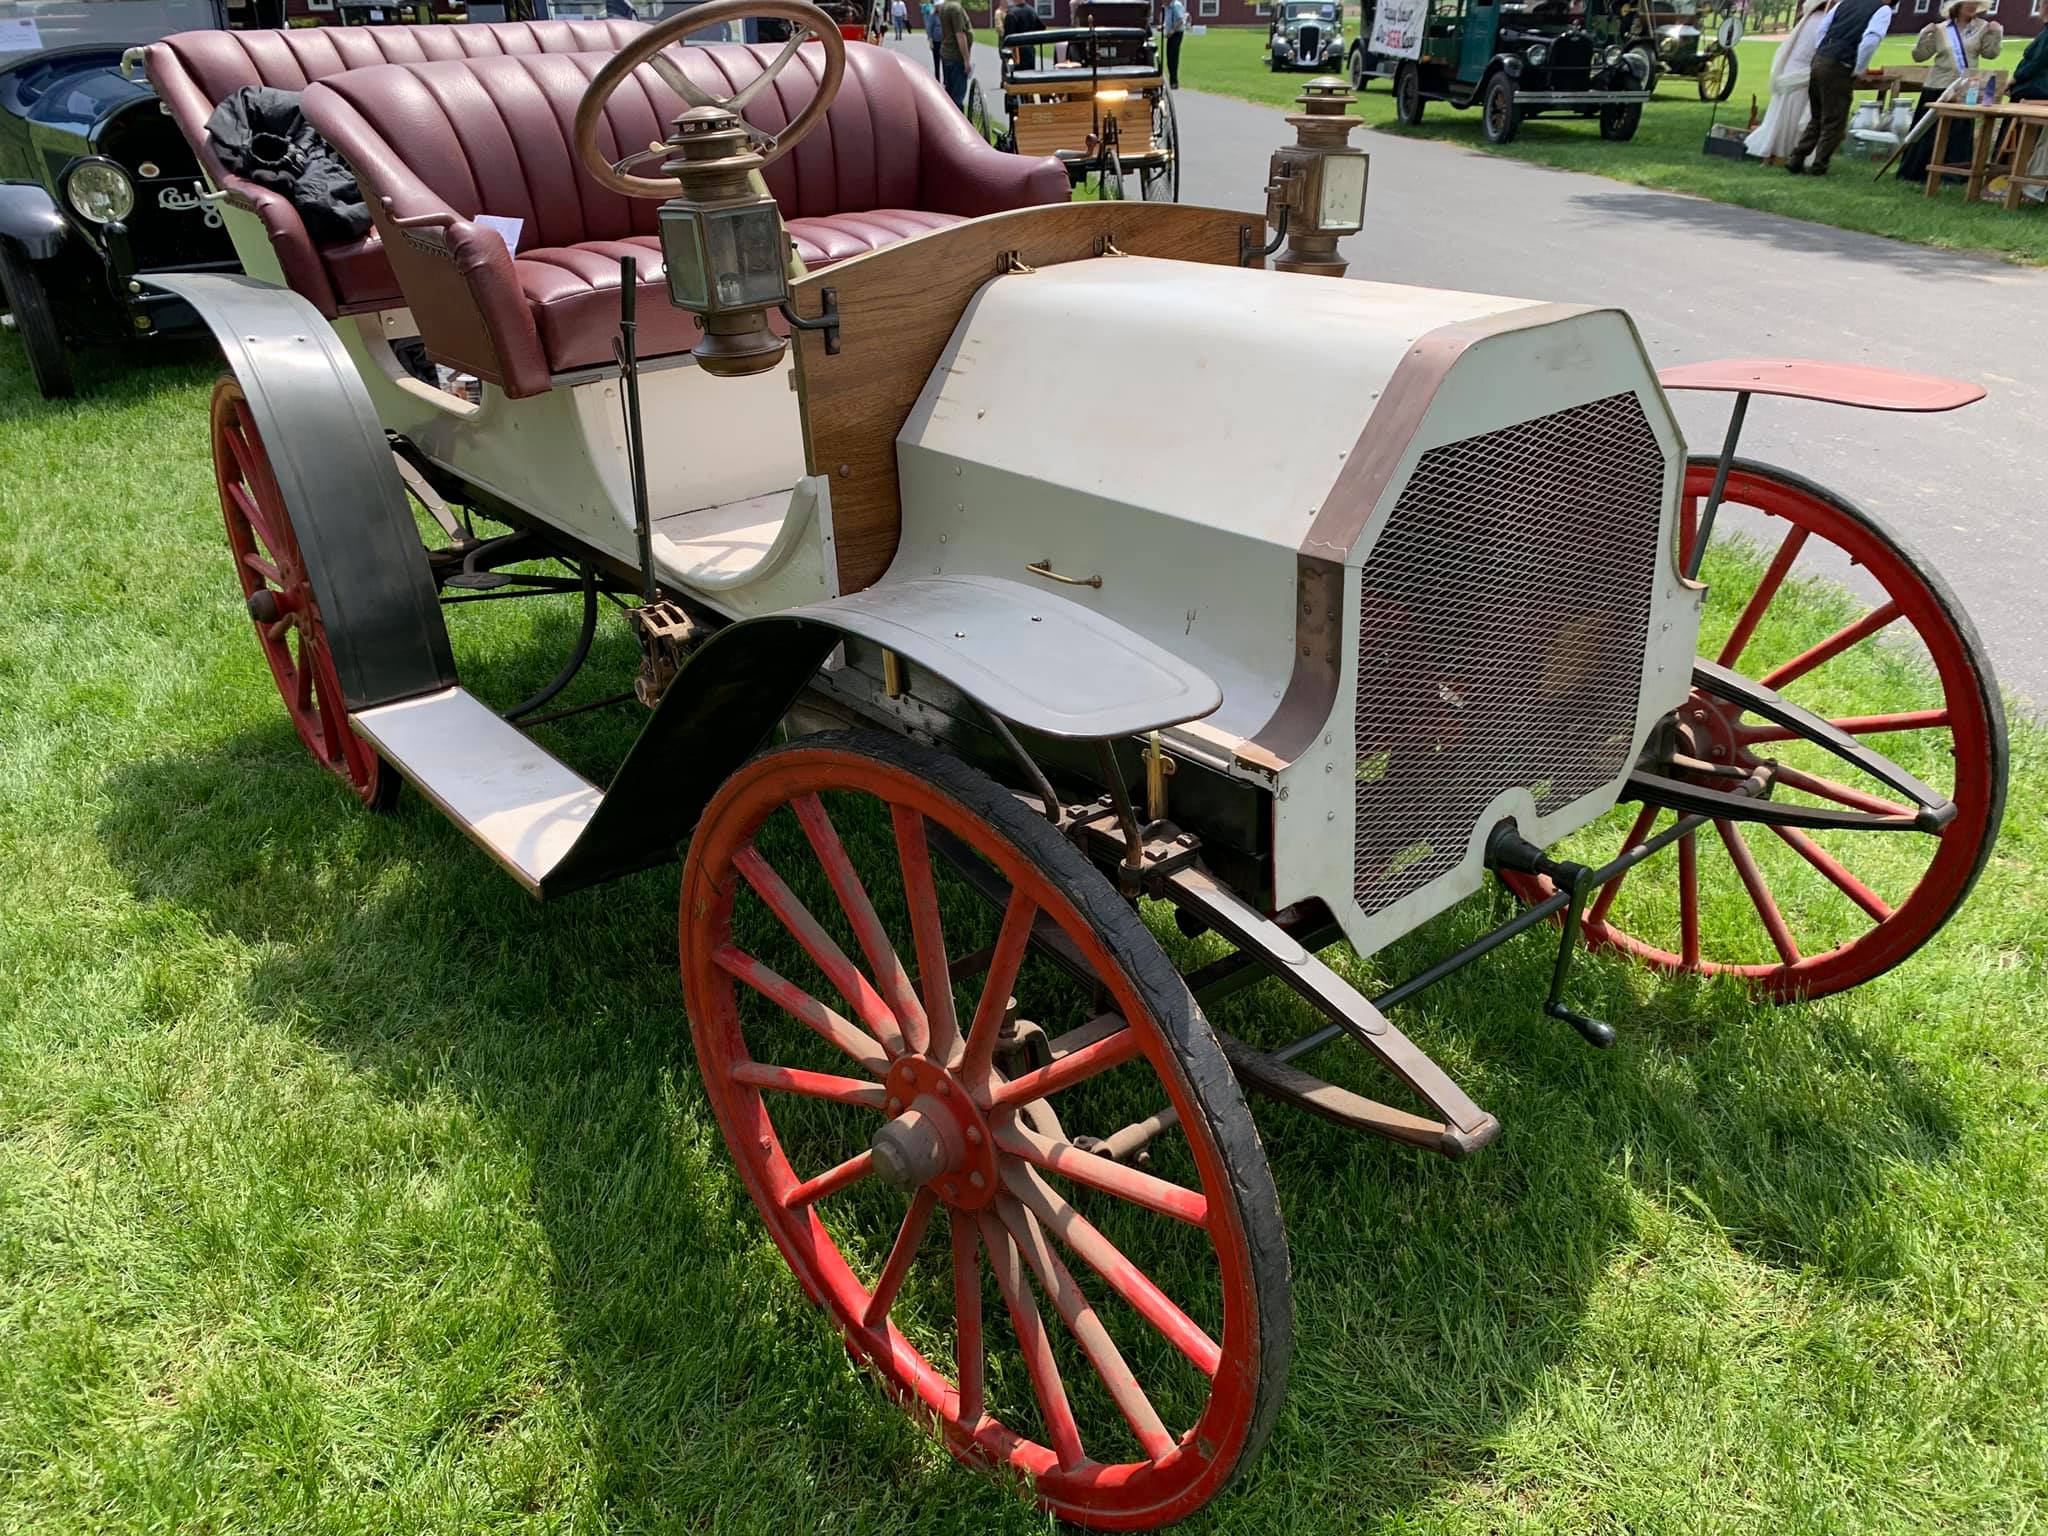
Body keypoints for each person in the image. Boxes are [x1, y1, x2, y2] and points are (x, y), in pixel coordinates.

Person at [1896, 0, 2004, 183]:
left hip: (1965, 88)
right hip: (1938, 85)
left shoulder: (1983, 27)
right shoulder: (1940, 29)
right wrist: (1925, 35)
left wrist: (1996, 33)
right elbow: (1919, 56)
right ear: (1957, 6)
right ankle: (1916, 173)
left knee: (1959, 134)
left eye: (1975, 4)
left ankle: (1953, 176)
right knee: (1927, 132)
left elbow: (1990, 54)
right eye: (1968, 3)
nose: (1972, 7)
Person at [1788, 0, 1894, 176]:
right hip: (1841, 63)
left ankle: (1796, 158)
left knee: (1817, 116)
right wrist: (1859, 68)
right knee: (1835, 121)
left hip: (1820, 59)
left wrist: (1822, 51)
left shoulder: (1845, 2)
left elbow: (1823, 28)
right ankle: (1819, 166)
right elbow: (1870, 40)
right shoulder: (1882, 10)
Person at [1746, 0, 1834, 163]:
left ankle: (1772, 154)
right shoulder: (1822, 21)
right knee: (1792, 116)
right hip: (1800, 73)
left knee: (1781, 114)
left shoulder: (1809, 19)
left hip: (1792, 71)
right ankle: (1782, 153)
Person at [938, 0, 973, 106]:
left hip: (947, 53)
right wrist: (966, 60)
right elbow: (960, 35)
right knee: (957, 98)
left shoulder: (944, 6)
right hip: (956, 56)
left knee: (950, 94)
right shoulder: (955, 8)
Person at [1001, 0, 1045, 70]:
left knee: (1013, 77)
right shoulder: (1032, 11)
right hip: (1030, 50)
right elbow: (1042, 27)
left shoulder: (1011, 13)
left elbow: (1008, 38)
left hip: (1016, 53)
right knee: (1029, 76)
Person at [1162, 0, 1188, 89]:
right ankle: (1171, 81)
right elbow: (1167, 19)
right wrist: (1163, 26)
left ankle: (1174, 82)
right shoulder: (1167, 7)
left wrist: (1172, 31)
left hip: (1177, 33)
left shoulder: (1176, 6)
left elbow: (1181, 20)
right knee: (1169, 58)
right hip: (1170, 34)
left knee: (1173, 57)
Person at [924, 0, 944, 79]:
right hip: (936, 41)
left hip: (944, 42)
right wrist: (930, 40)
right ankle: (937, 79)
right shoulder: (933, 16)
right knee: (937, 62)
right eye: (939, 6)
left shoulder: (945, 15)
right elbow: (929, 28)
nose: (940, 7)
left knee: (945, 63)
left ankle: (946, 81)